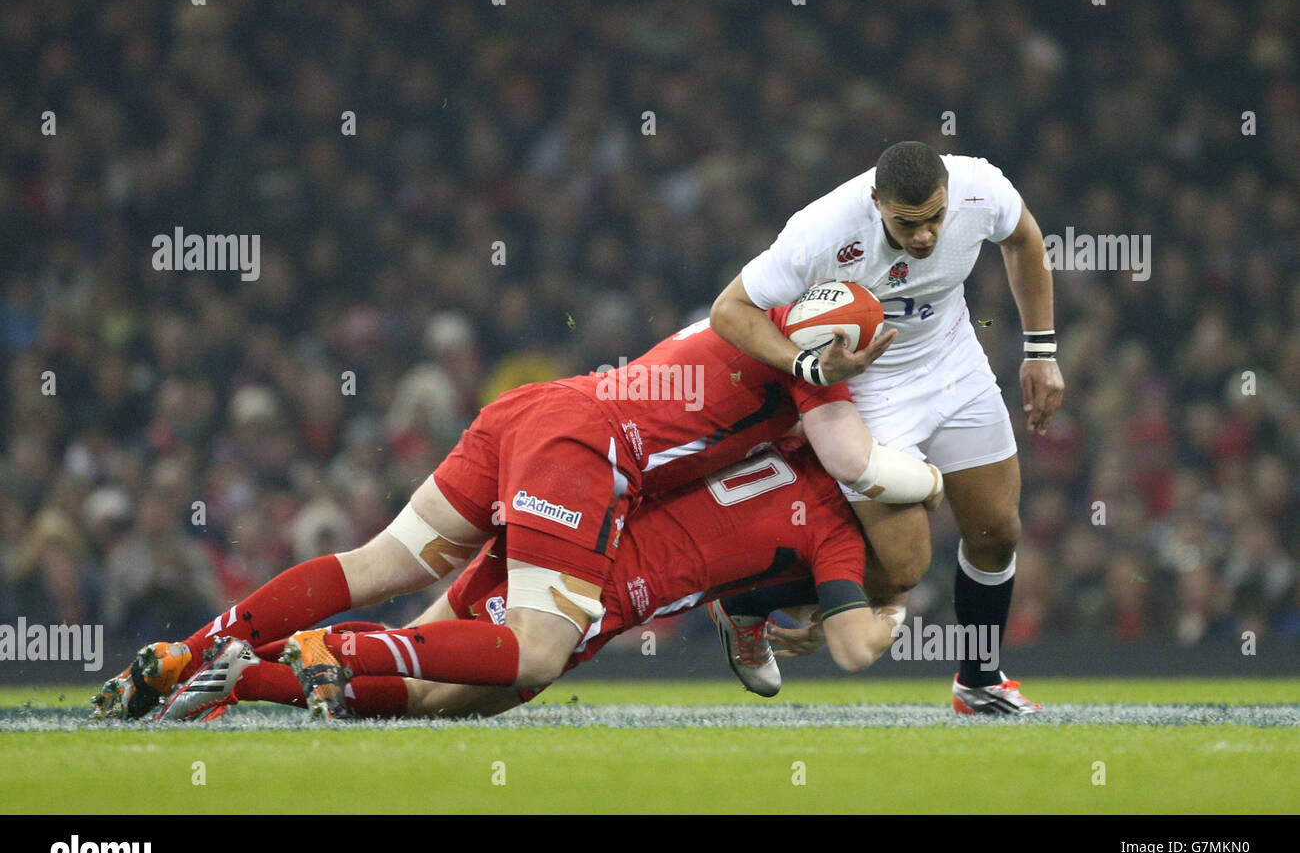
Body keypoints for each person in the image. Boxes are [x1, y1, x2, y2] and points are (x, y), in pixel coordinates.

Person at [95, 306, 940, 720]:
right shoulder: (816, 400)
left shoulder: (751, 322)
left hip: (540, 410)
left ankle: (193, 654)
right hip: (586, 455)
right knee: (530, 659)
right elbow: (864, 466)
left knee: (379, 564)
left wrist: (750, 623)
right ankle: (327, 650)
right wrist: (937, 484)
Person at [710, 141, 1061, 714]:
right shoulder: (821, 231)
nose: (925, 237)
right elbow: (731, 310)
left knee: (998, 531)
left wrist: (1041, 350)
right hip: (871, 390)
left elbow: (1024, 237)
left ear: (950, 194)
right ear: (876, 202)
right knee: (904, 566)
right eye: (906, 223)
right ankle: (748, 600)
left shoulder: (979, 186)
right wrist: (808, 365)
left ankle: (979, 682)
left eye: (936, 220)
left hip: (955, 364)